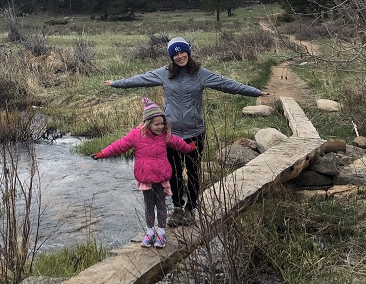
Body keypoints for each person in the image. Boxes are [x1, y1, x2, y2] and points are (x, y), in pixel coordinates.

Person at [105, 36, 269, 227]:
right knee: (173, 172)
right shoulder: (164, 73)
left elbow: (228, 84)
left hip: (195, 133)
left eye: (182, 52)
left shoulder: (201, 73)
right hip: (170, 135)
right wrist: (117, 83)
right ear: (171, 57)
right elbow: (140, 79)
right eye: (175, 54)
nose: (180, 56)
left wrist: (255, 92)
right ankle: (177, 207)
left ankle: (191, 208)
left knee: (192, 171)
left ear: (188, 53)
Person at [91, 97, 196, 249]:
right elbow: (119, 146)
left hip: (160, 177)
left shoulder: (165, 135)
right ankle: (149, 233)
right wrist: (103, 153)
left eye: (162, 124)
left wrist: (189, 148)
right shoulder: (136, 135)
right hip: (146, 178)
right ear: (147, 123)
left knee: (161, 205)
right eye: (157, 124)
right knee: (148, 206)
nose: (160, 127)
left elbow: (179, 143)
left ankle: (161, 233)